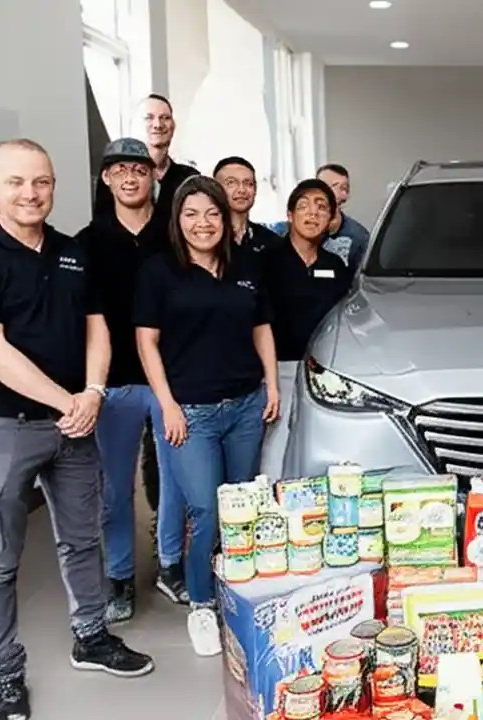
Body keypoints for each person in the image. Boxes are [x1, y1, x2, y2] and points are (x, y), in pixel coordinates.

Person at [0, 139, 154, 720]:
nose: (31, 193)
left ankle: (91, 636)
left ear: (54, 184)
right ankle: (6, 673)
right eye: (16, 182)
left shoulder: (71, 251)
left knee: (81, 539)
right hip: (5, 427)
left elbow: (97, 329)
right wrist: (71, 401)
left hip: (74, 424)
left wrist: (91, 393)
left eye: (42, 182)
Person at [135, 175, 280, 657]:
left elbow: (261, 326)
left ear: (225, 217)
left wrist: (271, 385)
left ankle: (237, 595)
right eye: (191, 214)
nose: (203, 223)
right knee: (207, 510)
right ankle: (201, 603)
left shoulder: (246, 266)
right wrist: (167, 404)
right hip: (190, 412)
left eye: (212, 213)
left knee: (243, 508)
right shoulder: (160, 272)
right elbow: (146, 342)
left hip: (244, 406)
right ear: (177, 220)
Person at [76, 138, 189, 620]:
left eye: (139, 170)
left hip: (172, 380)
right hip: (116, 383)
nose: (129, 178)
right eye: (119, 170)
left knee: (175, 482)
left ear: (154, 176)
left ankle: (170, 566)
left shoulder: (174, 236)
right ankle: (119, 577)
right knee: (115, 489)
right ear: (106, 179)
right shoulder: (87, 243)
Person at [259, 180, 354, 478]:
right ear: (289, 215)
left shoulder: (336, 265)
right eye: (303, 206)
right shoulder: (266, 260)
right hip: (277, 369)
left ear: (331, 219)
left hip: (323, 371)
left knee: (321, 445)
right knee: (275, 447)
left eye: (321, 207)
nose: (312, 214)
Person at [270, 163, 370, 269]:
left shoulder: (359, 237)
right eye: (337, 187)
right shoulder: (281, 232)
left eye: (345, 189)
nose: (343, 195)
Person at [214, 155, 283, 256]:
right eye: (231, 183)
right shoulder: (207, 237)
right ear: (215, 188)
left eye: (248, 183)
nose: (241, 190)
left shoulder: (271, 243)